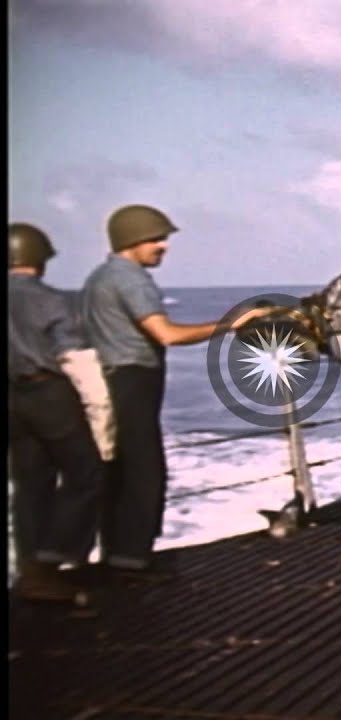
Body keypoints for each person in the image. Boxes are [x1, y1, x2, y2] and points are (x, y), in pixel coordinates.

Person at [81, 204, 268, 577]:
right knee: (145, 469)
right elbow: (167, 334)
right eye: (156, 239)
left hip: (109, 377)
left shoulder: (99, 277)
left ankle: (116, 554)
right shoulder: (132, 279)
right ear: (132, 240)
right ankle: (133, 559)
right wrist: (233, 323)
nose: (162, 246)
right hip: (133, 378)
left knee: (117, 467)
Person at [8, 223, 105, 604]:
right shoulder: (52, 301)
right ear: (40, 260)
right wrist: (101, 408)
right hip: (48, 390)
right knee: (86, 474)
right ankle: (49, 562)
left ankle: (30, 569)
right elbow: (75, 358)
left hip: (13, 397)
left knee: (30, 482)